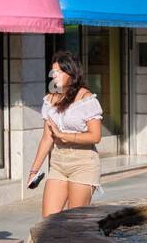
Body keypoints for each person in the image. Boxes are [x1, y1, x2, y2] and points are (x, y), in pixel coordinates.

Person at [29, 50, 104, 217]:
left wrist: (64, 136)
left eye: (60, 71)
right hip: (58, 163)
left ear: (71, 73)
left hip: (83, 163)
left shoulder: (87, 99)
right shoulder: (50, 100)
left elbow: (95, 136)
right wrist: (33, 171)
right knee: (48, 222)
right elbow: (47, 138)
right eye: (53, 71)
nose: (55, 75)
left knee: (74, 223)